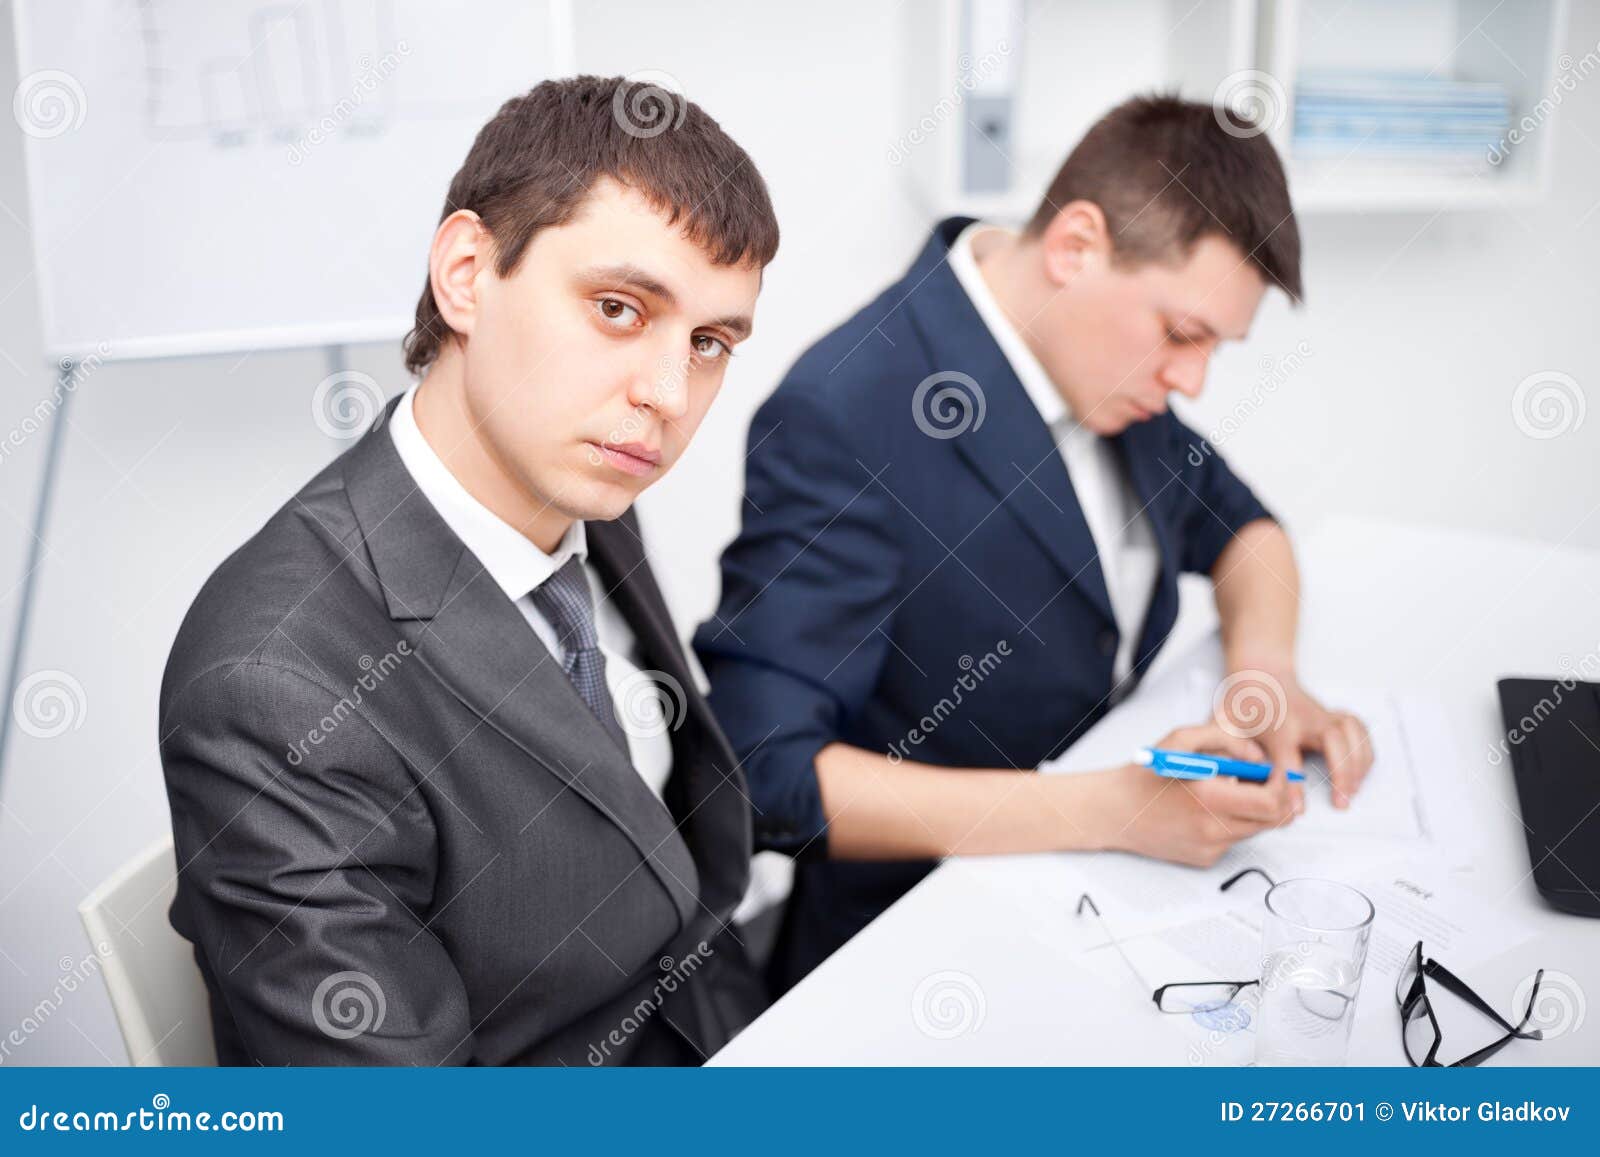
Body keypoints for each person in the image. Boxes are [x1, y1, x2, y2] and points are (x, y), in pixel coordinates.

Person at [159, 75, 779, 1064]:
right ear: (465, 274)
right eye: (619, 307)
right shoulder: (273, 683)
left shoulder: (584, 477)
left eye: (708, 342)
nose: (668, 393)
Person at [694, 94, 1373, 992]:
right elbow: (763, 771)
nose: (1192, 380)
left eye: (1215, 347)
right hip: (915, 947)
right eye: (1181, 334)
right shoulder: (847, 410)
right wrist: (1109, 811)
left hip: (1114, 910)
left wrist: (1266, 675)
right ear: (1075, 247)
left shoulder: (1114, 372)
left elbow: (1245, 528)